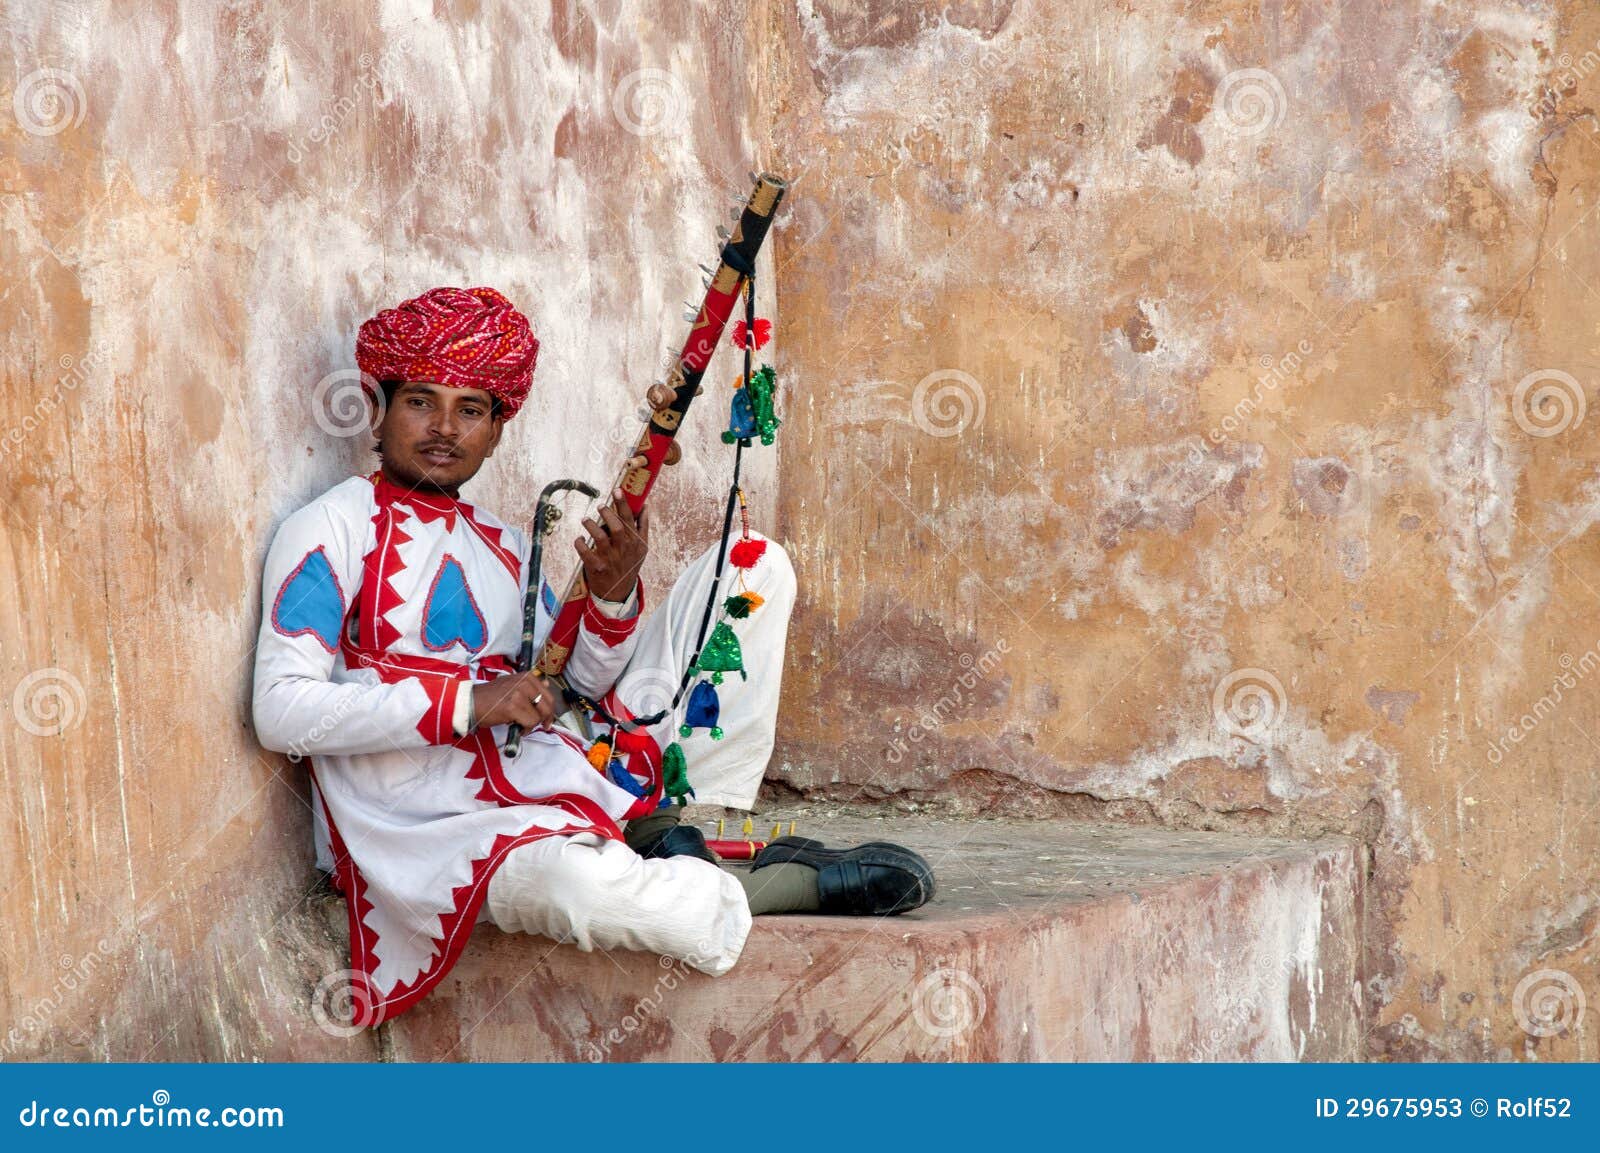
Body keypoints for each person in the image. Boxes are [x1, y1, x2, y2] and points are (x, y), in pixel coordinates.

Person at [251, 286, 933, 1027]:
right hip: (428, 829)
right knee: (576, 892)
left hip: (568, 771)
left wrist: (612, 594)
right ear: (377, 409)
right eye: (422, 401)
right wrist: (469, 704)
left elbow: (578, 683)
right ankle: (746, 883)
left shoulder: (506, 548)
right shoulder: (329, 530)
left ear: (497, 429)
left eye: (471, 409)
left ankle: (692, 821)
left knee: (753, 568)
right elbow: (281, 709)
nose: (445, 428)